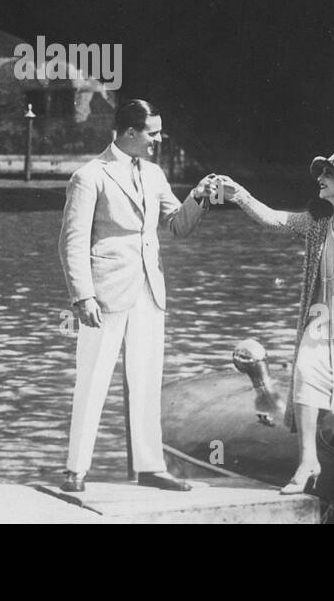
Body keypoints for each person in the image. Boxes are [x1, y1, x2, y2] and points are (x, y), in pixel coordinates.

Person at [219, 148, 334, 494]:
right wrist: (239, 195)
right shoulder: (318, 224)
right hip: (321, 319)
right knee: (304, 377)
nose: (319, 180)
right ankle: (307, 462)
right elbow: (275, 219)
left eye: (327, 175)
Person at [58, 98, 219, 493]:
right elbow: (72, 242)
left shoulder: (154, 173)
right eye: (153, 132)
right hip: (105, 293)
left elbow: (177, 226)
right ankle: (75, 470)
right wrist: (83, 297)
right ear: (130, 132)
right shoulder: (89, 175)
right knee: (93, 379)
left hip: (150, 287)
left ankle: (150, 466)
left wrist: (198, 196)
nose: (159, 140)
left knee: (147, 379)